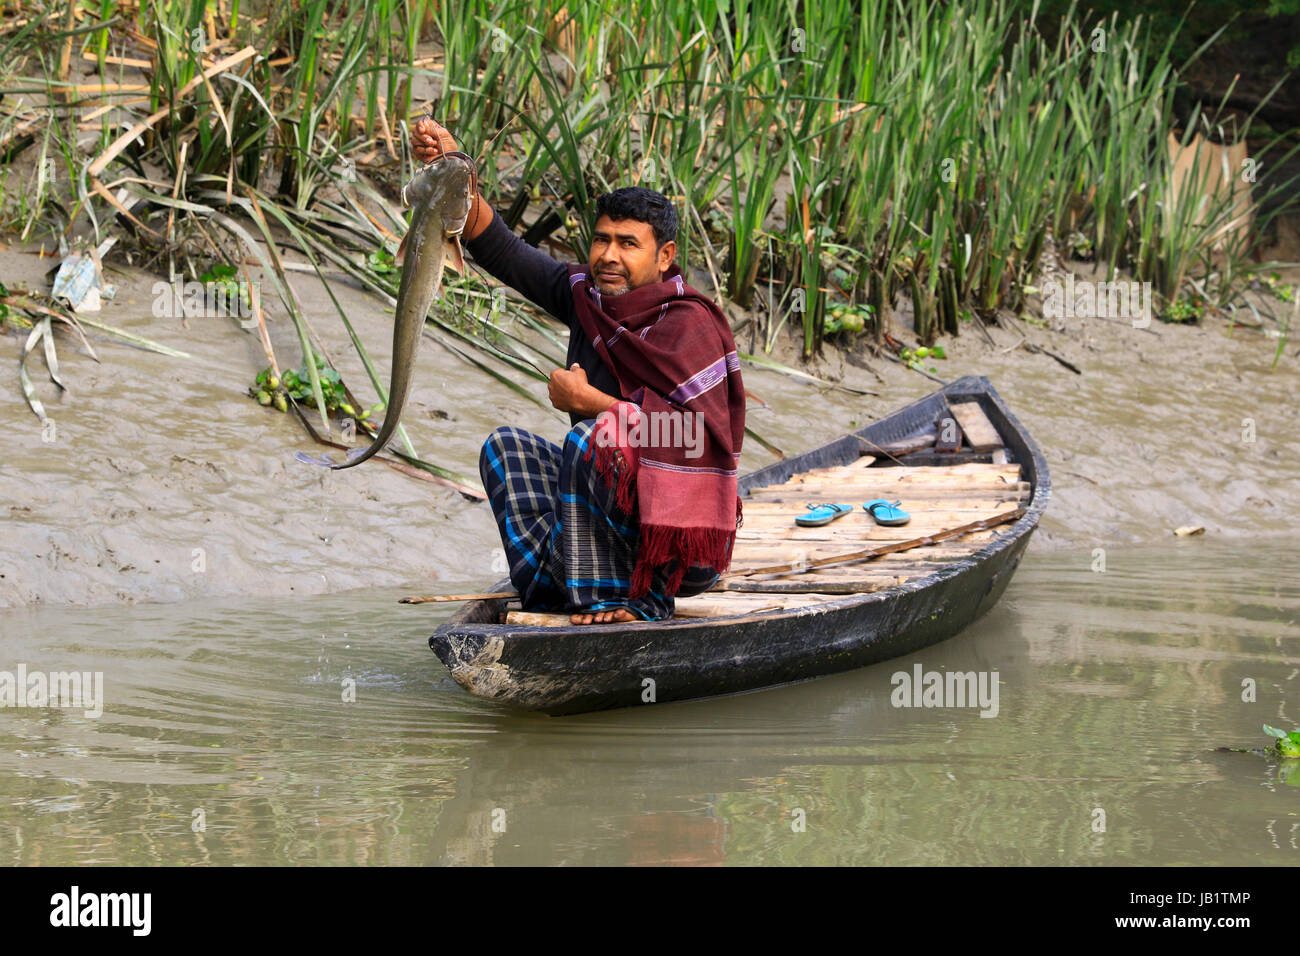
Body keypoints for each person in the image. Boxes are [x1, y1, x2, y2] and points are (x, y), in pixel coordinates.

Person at [412, 118, 745, 625]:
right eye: (601, 240)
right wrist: (457, 172)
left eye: (628, 244)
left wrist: (593, 404)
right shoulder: (586, 296)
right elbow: (504, 250)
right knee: (506, 450)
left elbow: (696, 437)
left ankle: (634, 602)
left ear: (665, 257)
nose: (609, 256)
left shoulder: (688, 326)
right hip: (615, 520)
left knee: (594, 439)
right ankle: (558, 593)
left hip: (680, 543)